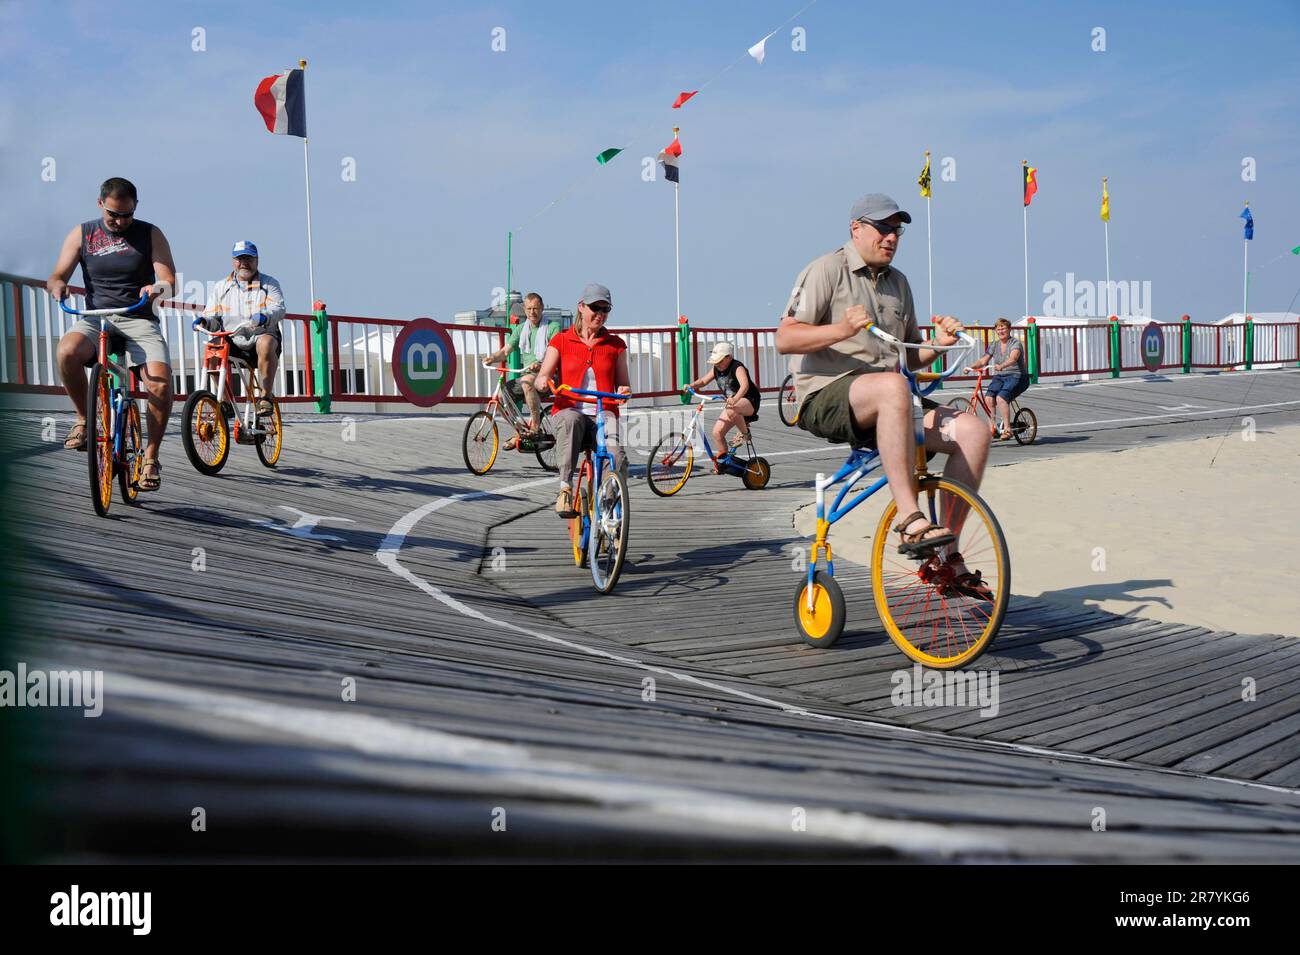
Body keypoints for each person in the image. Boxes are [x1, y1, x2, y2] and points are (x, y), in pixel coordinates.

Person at [775, 193, 991, 589]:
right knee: (893, 387)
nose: (892, 237)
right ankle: (910, 519)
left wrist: (939, 344)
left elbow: (908, 357)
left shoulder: (899, 283)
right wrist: (841, 330)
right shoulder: (826, 270)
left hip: (888, 395)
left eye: (898, 229)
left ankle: (948, 553)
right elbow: (784, 338)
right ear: (856, 228)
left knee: (975, 431)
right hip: (826, 395)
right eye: (883, 228)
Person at [47, 177, 177, 492]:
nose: (120, 222)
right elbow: (57, 275)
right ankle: (84, 421)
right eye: (113, 215)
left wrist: (157, 287)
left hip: (139, 317)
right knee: (66, 352)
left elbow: (169, 280)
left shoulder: (150, 233)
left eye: (127, 215)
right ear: (100, 205)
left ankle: (150, 457)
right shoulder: (83, 233)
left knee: (160, 381)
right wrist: (58, 286)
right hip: (96, 317)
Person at [535, 284, 631, 518]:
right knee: (570, 420)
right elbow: (543, 376)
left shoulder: (615, 345)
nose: (600, 313)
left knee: (617, 456)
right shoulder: (561, 341)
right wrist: (543, 382)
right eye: (594, 307)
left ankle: (609, 510)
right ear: (581, 307)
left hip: (604, 411)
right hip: (570, 408)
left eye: (605, 309)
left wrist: (625, 390)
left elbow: (624, 383)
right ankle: (565, 489)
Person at [193, 241, 286, 414]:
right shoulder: (221, 286)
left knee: (265, 344)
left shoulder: (269, 283)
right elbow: (212, 315)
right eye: (239, 258)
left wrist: (266, 316)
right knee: (212, 349)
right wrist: (204, 322)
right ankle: (227, 402)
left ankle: (265, 397)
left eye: (249, 258)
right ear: (233, 261)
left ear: (257, 261)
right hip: (233, 338)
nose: (244, 263)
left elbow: (279, 308)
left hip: (261, 334)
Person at [481, 291, 559, 445]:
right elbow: (505, 351)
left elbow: (555, 355)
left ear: (542, 308)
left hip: (548, 376)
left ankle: (535, 427)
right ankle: (521, 432)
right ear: (524, 309)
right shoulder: (521, 329)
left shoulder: (552, 327)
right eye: (529, 309)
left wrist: (542, 364)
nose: (532, 312)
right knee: (501, 397)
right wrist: (492, 358)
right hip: (528, 375)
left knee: (526, 381)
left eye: (536, 308)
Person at [685, 341, 762, 465]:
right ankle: (723, 462)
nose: (717, 364)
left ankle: (745, 434)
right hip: (733, 405)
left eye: (720, 361)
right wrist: (691, 386)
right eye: (715, 362)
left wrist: (735, 399)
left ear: (729, 357)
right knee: (717, 433)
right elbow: (704, 381)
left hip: (749, 401)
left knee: (731, 409)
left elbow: (745, 386)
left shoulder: (737, 367)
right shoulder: (716, 368)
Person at [966, 317, 1027, 440]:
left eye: (1003, 328)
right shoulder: (994, 344)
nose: (1000, 331)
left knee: (1001, 398)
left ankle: (1008, 430)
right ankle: (992, 428)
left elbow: (1013, 358)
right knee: (989, 398)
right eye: (998, 329)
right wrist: (970, 367)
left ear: (1009, 329)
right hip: (1001, 376)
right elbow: (983, 360)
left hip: (1017, 376)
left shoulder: (1015, 343)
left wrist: (1002, 365)